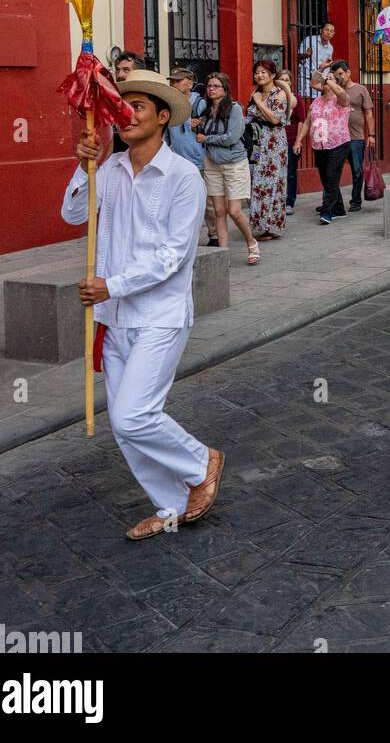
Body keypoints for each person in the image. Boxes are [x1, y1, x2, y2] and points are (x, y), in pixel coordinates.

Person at [64, 68, 225, 541]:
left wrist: (111, 284)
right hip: (114, 320)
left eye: (137, 106)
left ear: (161, 115)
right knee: (123, 424)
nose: (126, 114)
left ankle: (202, 461)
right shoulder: (109, 169)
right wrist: (84, 164)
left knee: (135, 414)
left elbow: (173, 257)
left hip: (160, 316)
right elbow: (72, 213)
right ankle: (172, 505)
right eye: (121, 106)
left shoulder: (183, 178)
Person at [197, 72, 259, 265]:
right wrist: (197, 127)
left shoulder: (234, 109)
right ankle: (224, 253)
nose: (211, 89)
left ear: (225, 90)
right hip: (212, 164)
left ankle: (252, 243)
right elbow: (203, 134)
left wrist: (207, 139)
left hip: (234, 163)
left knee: (234, 211)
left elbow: (231, 137)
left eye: (215, 86)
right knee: (219, 211)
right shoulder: (207, 111)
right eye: (209, 86)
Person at [294, 67, 352, 224]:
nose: (326, 80)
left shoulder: (341, 99)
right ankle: (339, 208)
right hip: (319, 146)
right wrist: (299, 140)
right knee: (327, 179)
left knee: (331, 177)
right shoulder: (316, 101)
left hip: (338, 144)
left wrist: (329, 80)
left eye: (331, 78)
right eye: (326, 79)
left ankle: (327, 211)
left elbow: (340, 93)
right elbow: (307, 122)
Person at [167, 65, 216, 246]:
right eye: (171, 81)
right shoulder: (170, 103)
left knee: (206, 199)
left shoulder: (199, 103)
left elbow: (209, 126)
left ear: (189, 83)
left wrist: (196, 124)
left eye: (177, 81)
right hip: (177, 158)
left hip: (198, 158)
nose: (173, 84)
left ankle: (214, 235)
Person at [246, 60, 289, 240]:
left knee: (272, 182)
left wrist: (259, 102)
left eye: (264, 72)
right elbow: (248, 115)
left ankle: (272, 226)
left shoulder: (279, 95)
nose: (260, 75)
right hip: (257, 143)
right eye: (257, 72)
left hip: (274, 144)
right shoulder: (255, 93)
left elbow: (274, 119)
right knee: (257, 179)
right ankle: (260, 223)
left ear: (272, 75)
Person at [331, 60, 374, 211]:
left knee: (357, 170)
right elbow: (315, 85)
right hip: (338, 138)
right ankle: (331, 202)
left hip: (356, 138)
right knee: (333, 171)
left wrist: (371, 135)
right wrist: (323, 70)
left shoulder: (361, 89)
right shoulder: (334, 90)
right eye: (336, 75)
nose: (339, 78)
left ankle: (356, 201)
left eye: (341, 74)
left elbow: (368, 113)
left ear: (348, 72)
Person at [279, 72, 306, 216]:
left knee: (290, 173)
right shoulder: (274, 98)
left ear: (291, 82)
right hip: (276, 142)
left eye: (287, 80)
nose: (284, 82)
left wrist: (298, 141)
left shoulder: (297, 99)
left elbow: (302, 120)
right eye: (281, 79)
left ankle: (289, 202)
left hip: (291, 141)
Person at [110, 51, 146, 153]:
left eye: (126, 70)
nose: (120, 74)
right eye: (118, 70)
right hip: (115, 160)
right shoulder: (111, 100)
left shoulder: (148, 101)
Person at [297, 21, 336, 99]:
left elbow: (327, 64)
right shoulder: (310, 40)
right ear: (321, 31)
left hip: (319, 80)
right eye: (327, 30)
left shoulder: (330, 48)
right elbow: (298, 56)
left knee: (317, 101)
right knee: (305, 100)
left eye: (331, 31)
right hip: (306, 77)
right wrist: (306, 55)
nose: (329, 33)